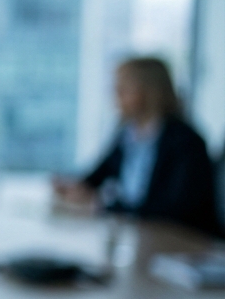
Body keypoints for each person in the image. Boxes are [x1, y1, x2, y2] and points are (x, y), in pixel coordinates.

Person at [55, 57, 221, 236]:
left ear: (149, 92)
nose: (116, 94)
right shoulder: (128, 133)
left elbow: (174, 210)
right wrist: (75, 188)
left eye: (124, 88)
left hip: (182, 241)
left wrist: (105, 206)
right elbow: (98, 175)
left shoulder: (185, 142)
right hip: (140, 234)